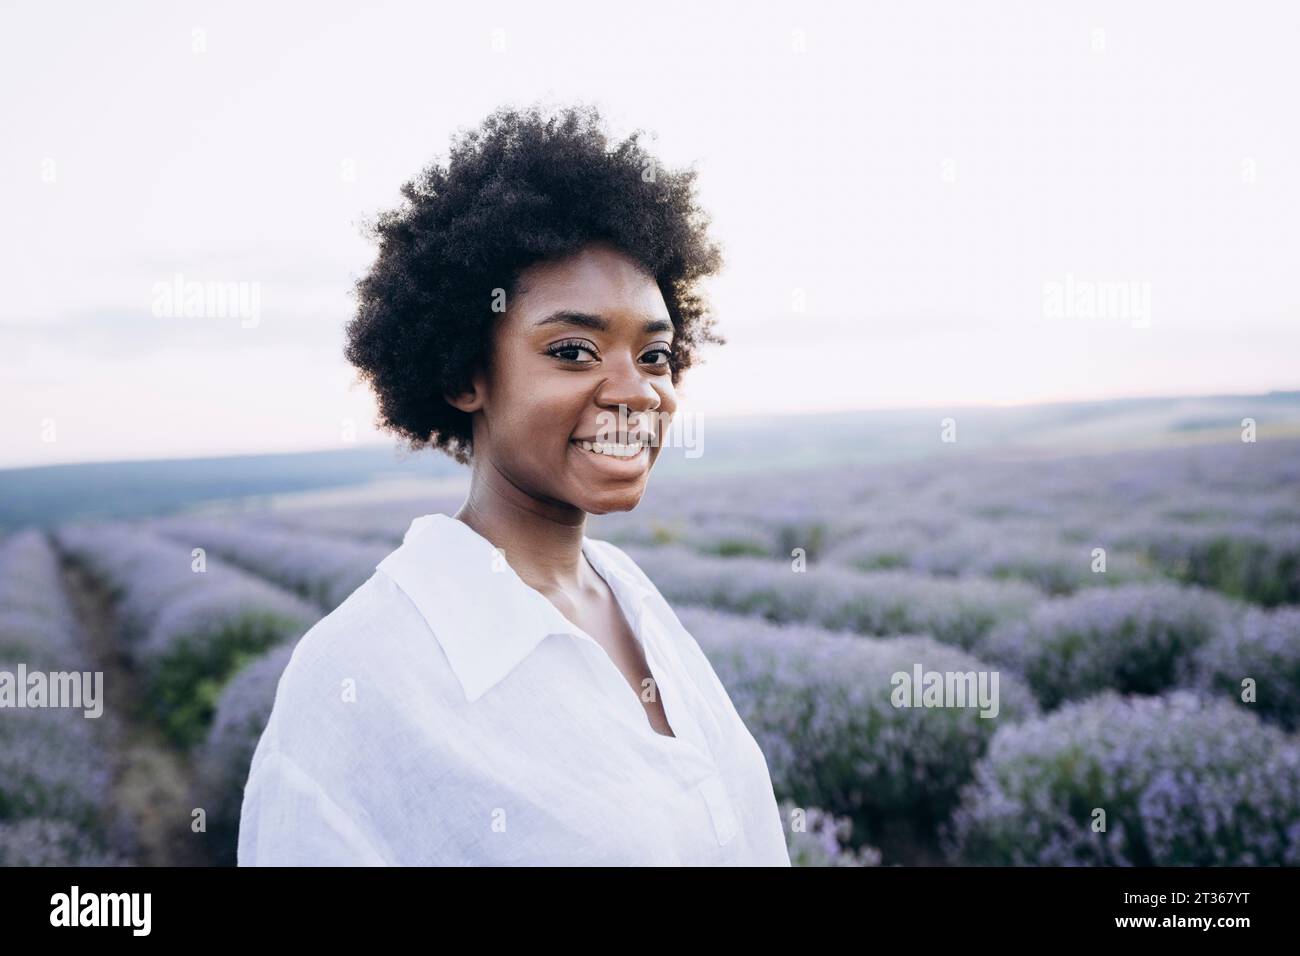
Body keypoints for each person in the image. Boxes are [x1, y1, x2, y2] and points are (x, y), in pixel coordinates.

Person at [237, 101, 791, 865]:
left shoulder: (628, 594)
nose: (635, 391)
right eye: (572, 350)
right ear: (467, 374)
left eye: (655, 355)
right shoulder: (359, 674)